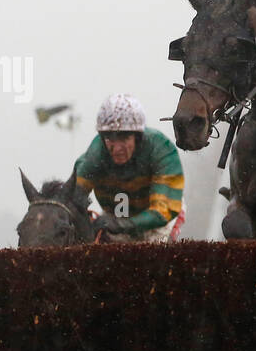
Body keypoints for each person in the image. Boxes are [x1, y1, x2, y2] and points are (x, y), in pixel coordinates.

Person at [75, 94, 185, 241]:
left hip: (160, 220)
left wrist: (122, 225)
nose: (116, 148)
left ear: (137, 137)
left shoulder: (161, 149)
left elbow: (162, 212)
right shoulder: (95, 154)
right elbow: (72, 197)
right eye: (109, 138)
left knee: (153, 252)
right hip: (117, 215)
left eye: (124, 138)